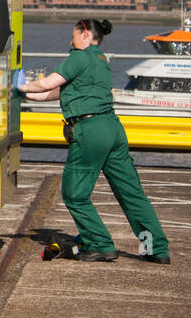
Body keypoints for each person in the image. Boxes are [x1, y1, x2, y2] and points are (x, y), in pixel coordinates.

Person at [19, 18, 170, 264]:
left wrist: (18, 84)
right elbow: (54, 92)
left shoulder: (79, 56)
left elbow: (47, 83)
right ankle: (156, 248)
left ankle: (100, 244)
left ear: (86, 34)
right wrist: (23, 94)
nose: (71, 40)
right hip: (112, 129)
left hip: (90, 131)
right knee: (131, 193)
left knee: (75, 194)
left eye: (74, 35)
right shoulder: (101, 61)